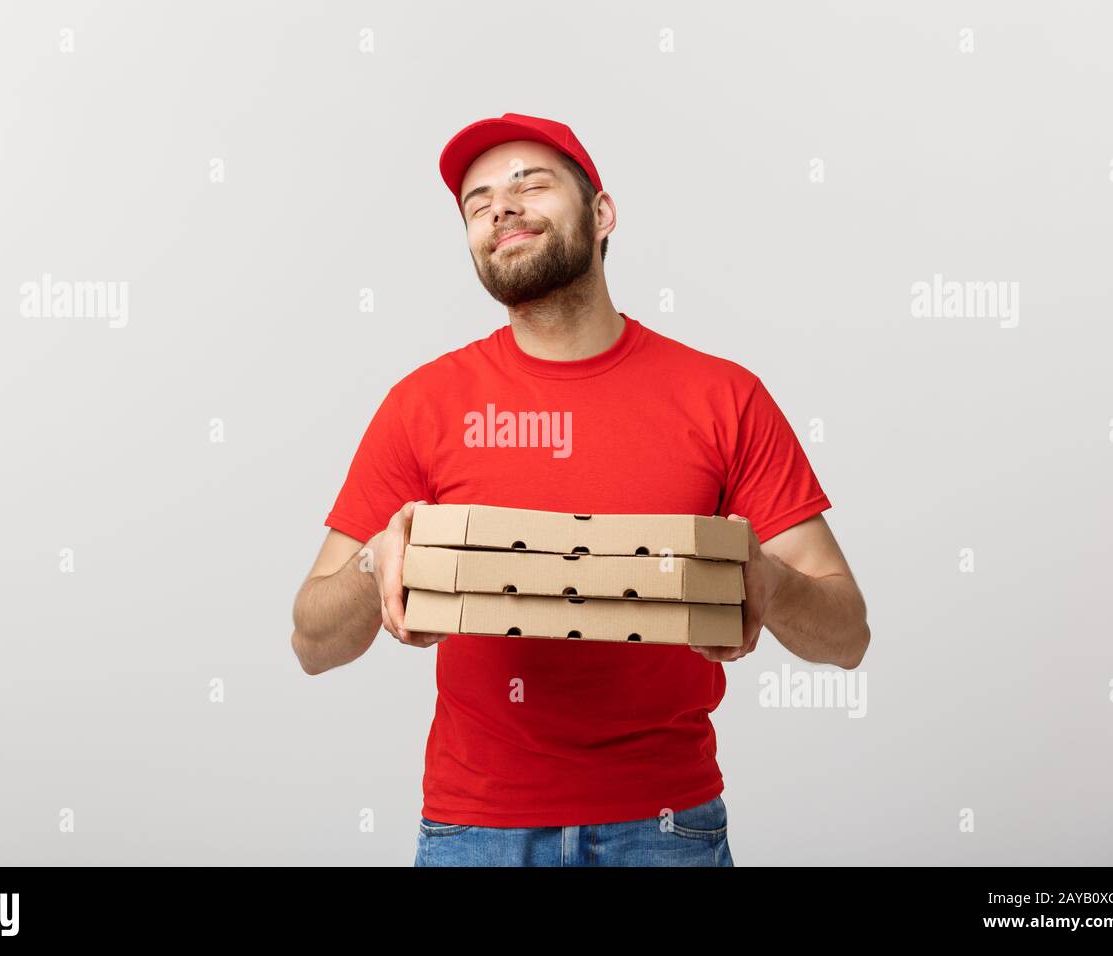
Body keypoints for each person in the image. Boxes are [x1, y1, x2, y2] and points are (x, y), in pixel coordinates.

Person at [290, 113, 870, 866]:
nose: (501, 205)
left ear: (602, 215)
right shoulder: (422, 405)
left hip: (668, 830)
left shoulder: (723, 397)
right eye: (477, 202)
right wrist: (375, 564)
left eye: (530, 182)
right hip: (477, 834)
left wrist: (764, 579)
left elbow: (849, 634)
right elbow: (311, 642)